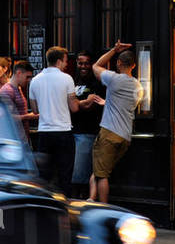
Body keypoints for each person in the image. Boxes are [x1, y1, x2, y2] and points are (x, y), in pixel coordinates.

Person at [27, 47, 100, 191]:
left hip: (44, 132)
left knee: (44, 174)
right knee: (65, 174)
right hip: (63, 132)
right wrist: (85, 101)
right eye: (66, 61)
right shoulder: (67, 79)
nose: (67, 65)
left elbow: (35, 110)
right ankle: (64, 205)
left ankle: (45, 204)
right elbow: (74, 107)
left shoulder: (35, 81)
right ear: (59, 61)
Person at [90, 41, 142, 203]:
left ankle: (103, 207)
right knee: (100, 170)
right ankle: (91, 198)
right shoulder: (138, 86)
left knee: (102, 175)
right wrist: (108, 103)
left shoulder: (114, 79)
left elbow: (96, 66)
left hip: (109, 132)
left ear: (119, 63)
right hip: (125, 135)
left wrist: (114, 50)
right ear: (133, 65)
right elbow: (127, 105)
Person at [71, 50, 106, 198]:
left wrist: (77, 104)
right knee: (74, 170)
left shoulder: (97, 83)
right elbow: (72, 105)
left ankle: (81, 200)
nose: (83, 66)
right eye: (80, 63)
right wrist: (82, 103)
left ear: (91, 64)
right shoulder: (73, 80)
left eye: (86, 63)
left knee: (80, 171)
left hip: (88, 131)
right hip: (72, 130)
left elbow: (91, 106)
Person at [0, 61, 38, 143]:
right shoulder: (7, 90)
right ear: (19, 73)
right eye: (27, 77)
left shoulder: (18, 88)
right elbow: (6, 117)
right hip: (13, 139)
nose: (28, 80)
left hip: (21, 137)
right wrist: (28, 116)